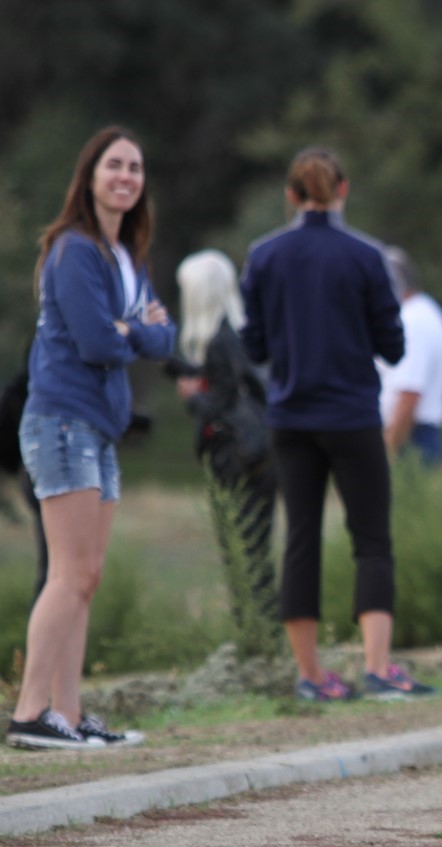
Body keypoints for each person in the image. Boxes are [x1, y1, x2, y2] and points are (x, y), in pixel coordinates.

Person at [241, 147, 435, 701]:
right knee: (371, 538)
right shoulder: (366, 256)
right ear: (343, 190)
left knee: (300, 537)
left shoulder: (263, 255)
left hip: (290, 416)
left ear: (290, 196)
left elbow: (253, 343)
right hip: (351, 414)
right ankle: (377, 667)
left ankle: (310, 675)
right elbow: (393, 346)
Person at [9, 126, 174, 749]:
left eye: (135, 167)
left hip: (103, 426)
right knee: (68, 571)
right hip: (63, 419)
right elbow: (97, 342)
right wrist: (135, 330)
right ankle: (30, 713)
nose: (126, 176)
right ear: (90, 176)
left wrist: (132, 328)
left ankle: (70, 717)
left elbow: (166, 336)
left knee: (88, 575)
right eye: (114, 165)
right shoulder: (74, 250)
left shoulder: (127, 257)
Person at [173, 248, 277, 647]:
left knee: (241, 551)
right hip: (263, 453)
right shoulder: (247, 333)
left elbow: (218, 403)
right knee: (259, 548)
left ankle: (255, 635)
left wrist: (191, 398)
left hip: (234, 456)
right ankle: (264, 633)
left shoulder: (215, 342)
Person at [378, 247, 442, 468]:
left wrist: (388, 449)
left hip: (410, 436)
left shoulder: (412, 322)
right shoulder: (424, 311)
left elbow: (409, 393)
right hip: (415, 433)